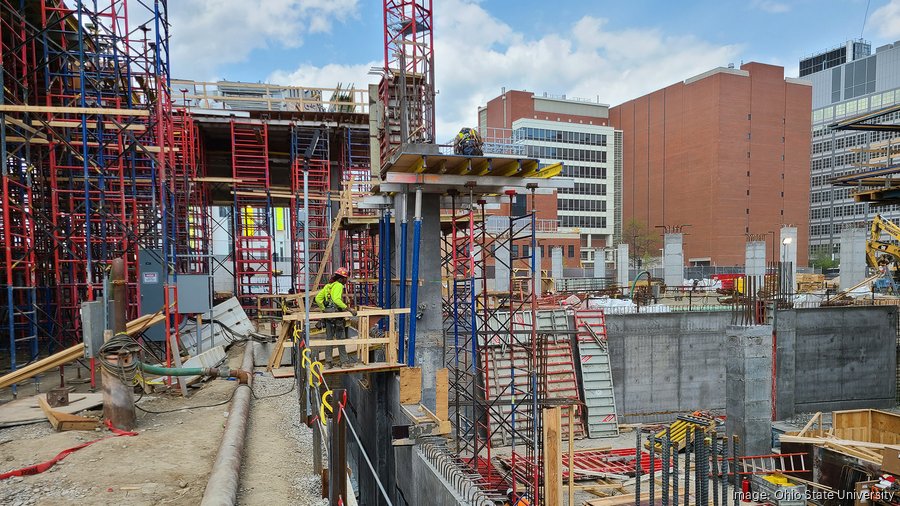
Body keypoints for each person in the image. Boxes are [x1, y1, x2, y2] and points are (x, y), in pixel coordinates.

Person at [314, 267, 357, 368]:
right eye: (346, 278)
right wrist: (349, 309)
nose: (346, 281)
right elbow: (337, 300)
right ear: (342, 278)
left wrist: (324, 309)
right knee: (340, 339)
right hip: (337, 317)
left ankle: (328, 363)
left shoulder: (328, 286)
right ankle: (344, 362)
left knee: (329, 339)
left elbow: (318, 299)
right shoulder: (338, 285)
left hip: (328, 316)